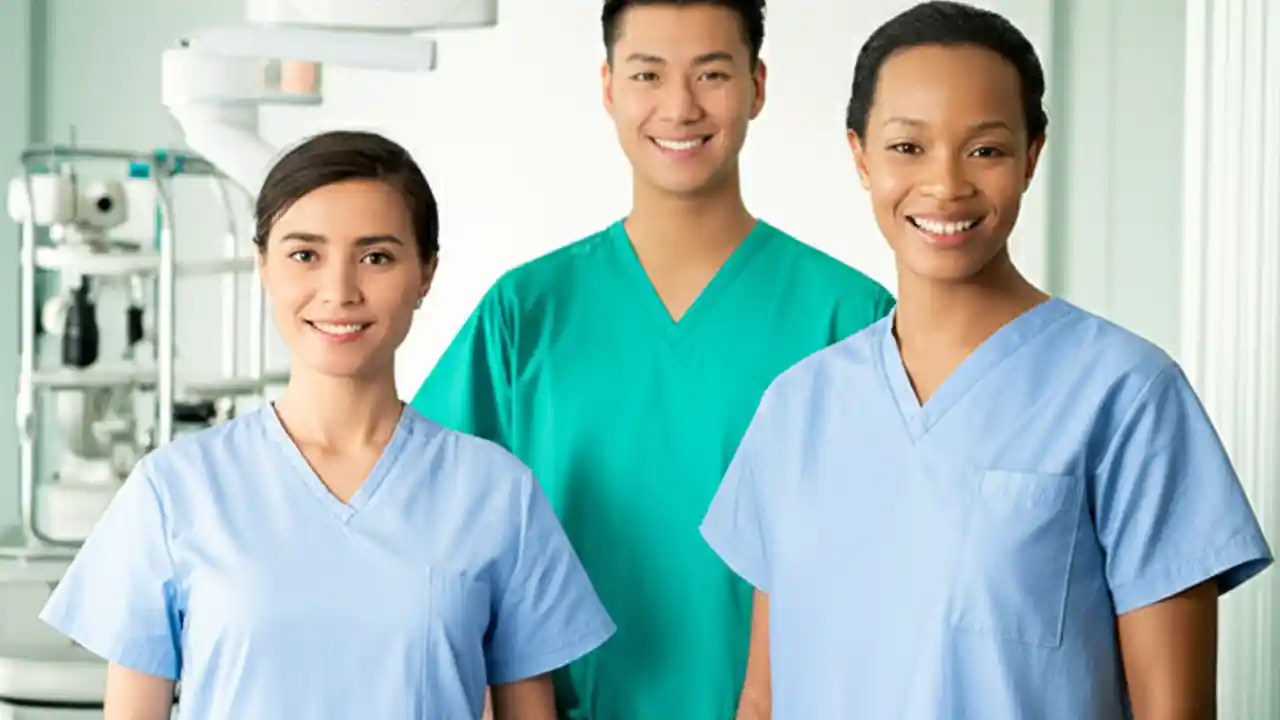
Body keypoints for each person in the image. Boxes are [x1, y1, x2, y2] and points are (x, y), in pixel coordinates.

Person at [699, 2, 1274, 718]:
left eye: (985, 149)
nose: (946, 185)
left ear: (1032, 155)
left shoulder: (1126, 395)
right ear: (860, 156)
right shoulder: (797, 409)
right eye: (908, 147)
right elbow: (763, 700)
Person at [411, 1, 894, 717]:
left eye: (711, 74)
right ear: (608, 86)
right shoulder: (528, 313)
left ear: (758, 85)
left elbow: (894, 569)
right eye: (648, 73)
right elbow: (420, 519)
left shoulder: (848, 319)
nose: (680, 106)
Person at [39, 130, 615, 720]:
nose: (339, 292)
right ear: (262, 266)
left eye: (376, 257)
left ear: (426, 274)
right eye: (305, 254)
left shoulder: (497, 493)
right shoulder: (174, 490)